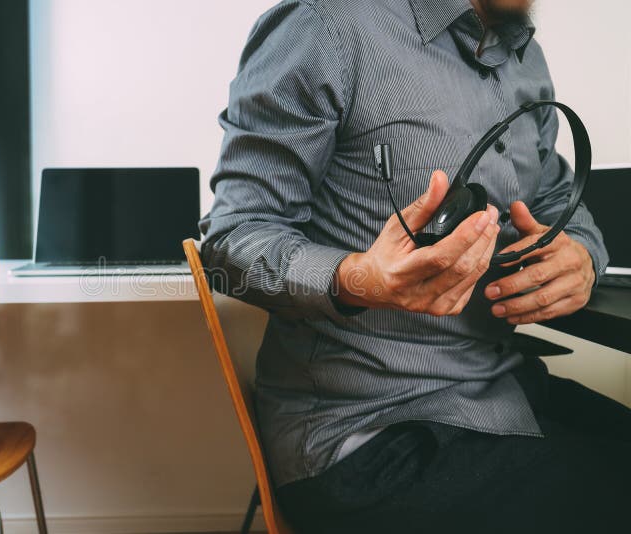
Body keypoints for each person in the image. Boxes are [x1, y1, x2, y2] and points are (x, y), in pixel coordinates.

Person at [199, 0, 631, 531]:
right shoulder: (325, 26)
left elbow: (559, 200)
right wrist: (359, 279)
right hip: (370, 435)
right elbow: (231, 239)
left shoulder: (528, 59)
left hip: (507, 391)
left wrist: (583, 253)